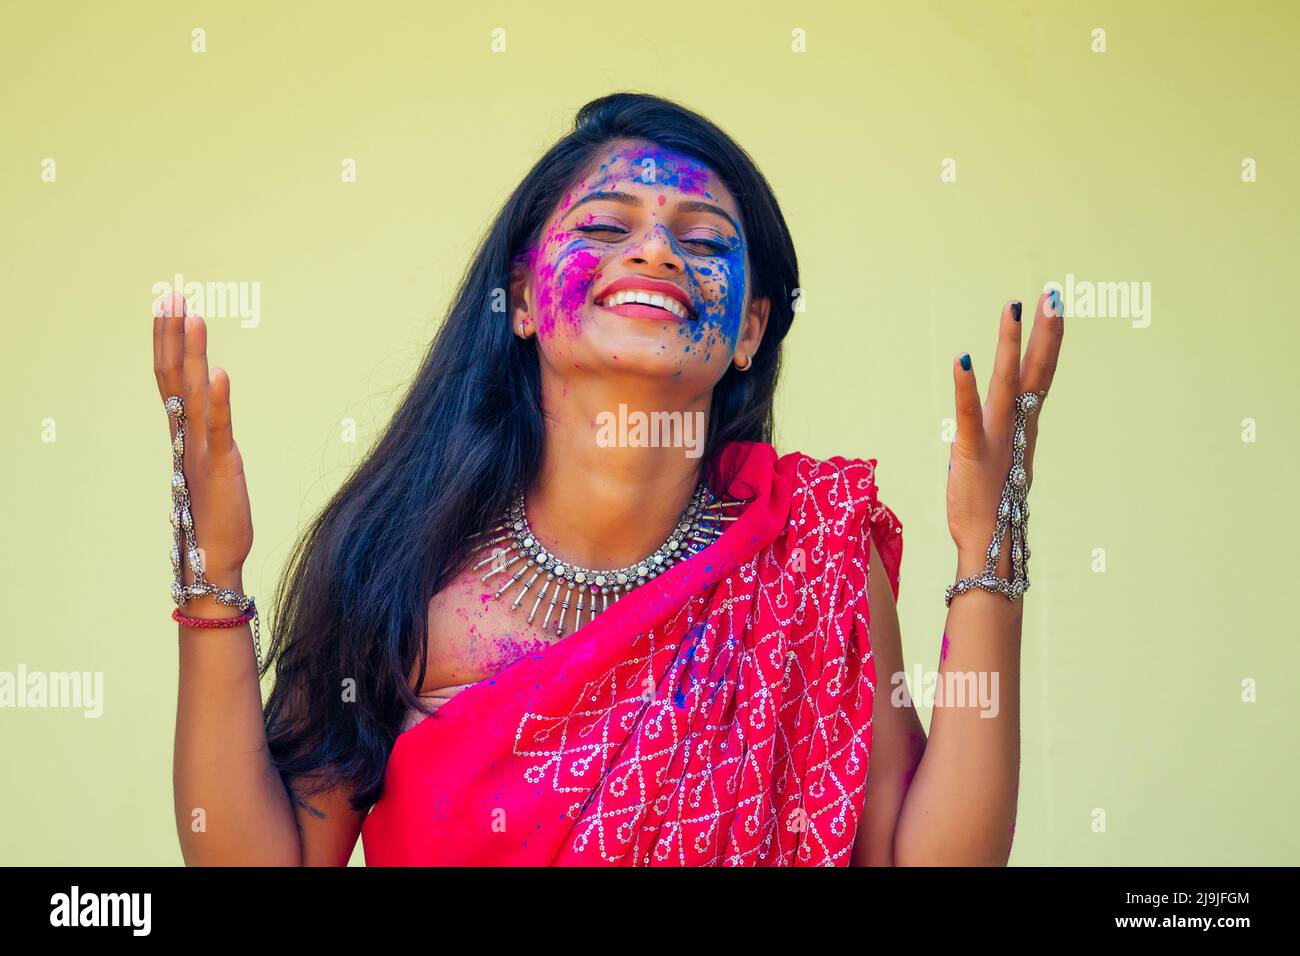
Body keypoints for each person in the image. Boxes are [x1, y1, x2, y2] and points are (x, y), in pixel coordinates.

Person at [156, 92, 1063, 866]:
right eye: (603, 226)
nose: (658, 252)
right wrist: (214, 575)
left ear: (749, 331)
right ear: (518, 297)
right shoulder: (402, 565)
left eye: (703, 241)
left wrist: (991, 557)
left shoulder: (814, 553)